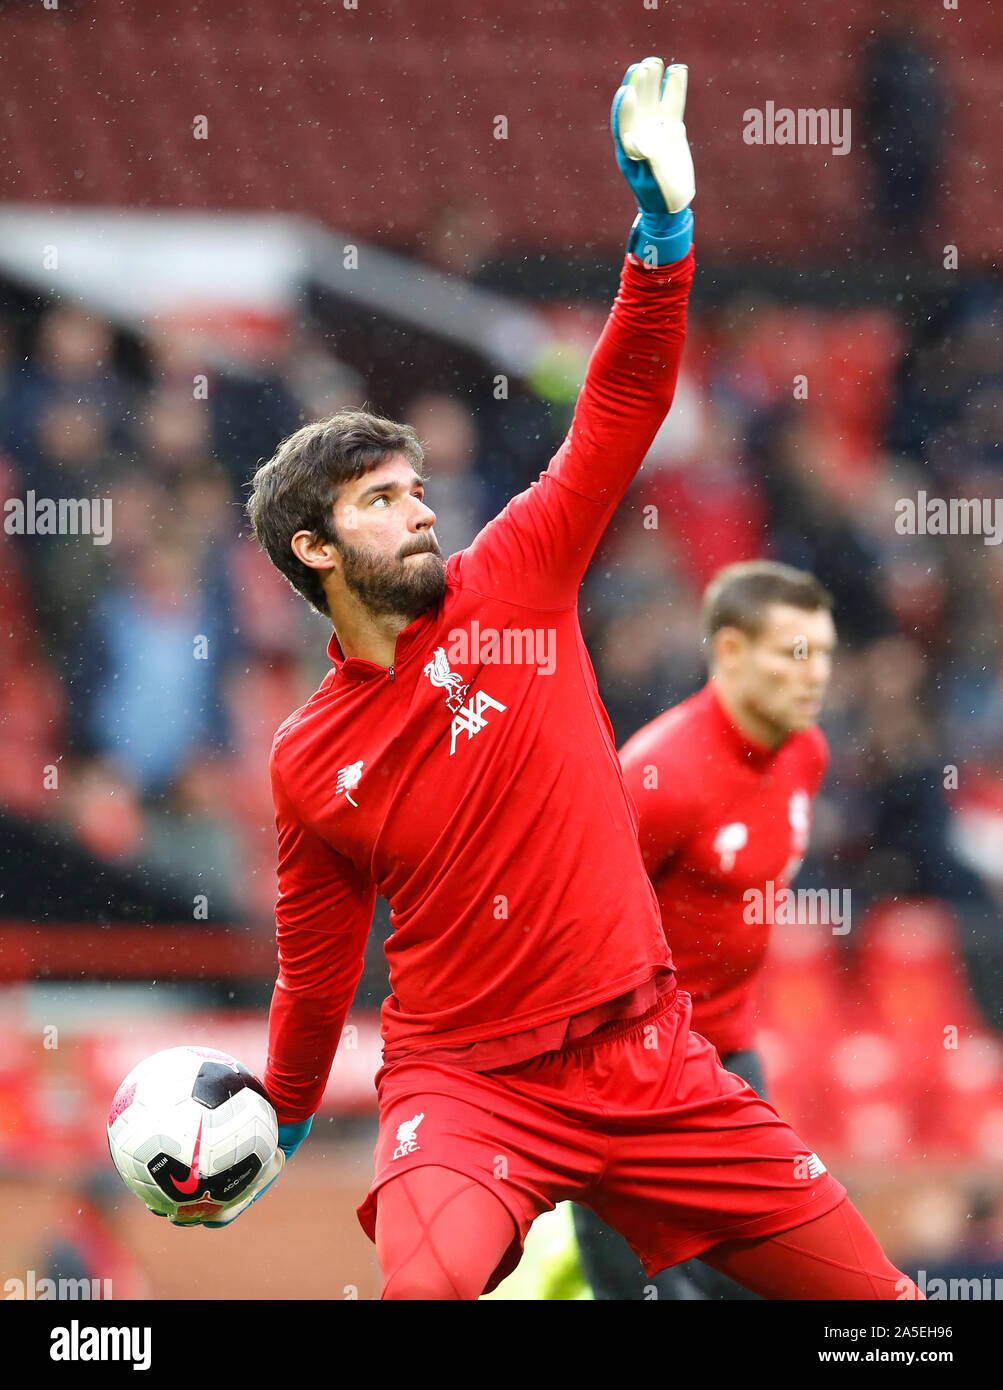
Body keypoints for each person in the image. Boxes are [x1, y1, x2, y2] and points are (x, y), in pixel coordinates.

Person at [199, 58, 919, 1301]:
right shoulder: (310, 758)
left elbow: (621, 404)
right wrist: (281, 1116)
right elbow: (315, 978)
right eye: (380, 501)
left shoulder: (513, 577)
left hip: (652, 1062)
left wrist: (663, 235)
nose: (419, 511)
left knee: (894, 1317)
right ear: (313, 551)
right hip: (467, 1088)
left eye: (416, 488)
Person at [572, 559, 838, 1299]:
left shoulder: (804, 753)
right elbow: (575, 921)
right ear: (728, 652)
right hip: (624, 1079)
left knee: (761, 1281)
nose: (815, 674)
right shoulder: (660, 776)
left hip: (727, 1059)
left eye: (823, 653)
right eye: (795, 652)